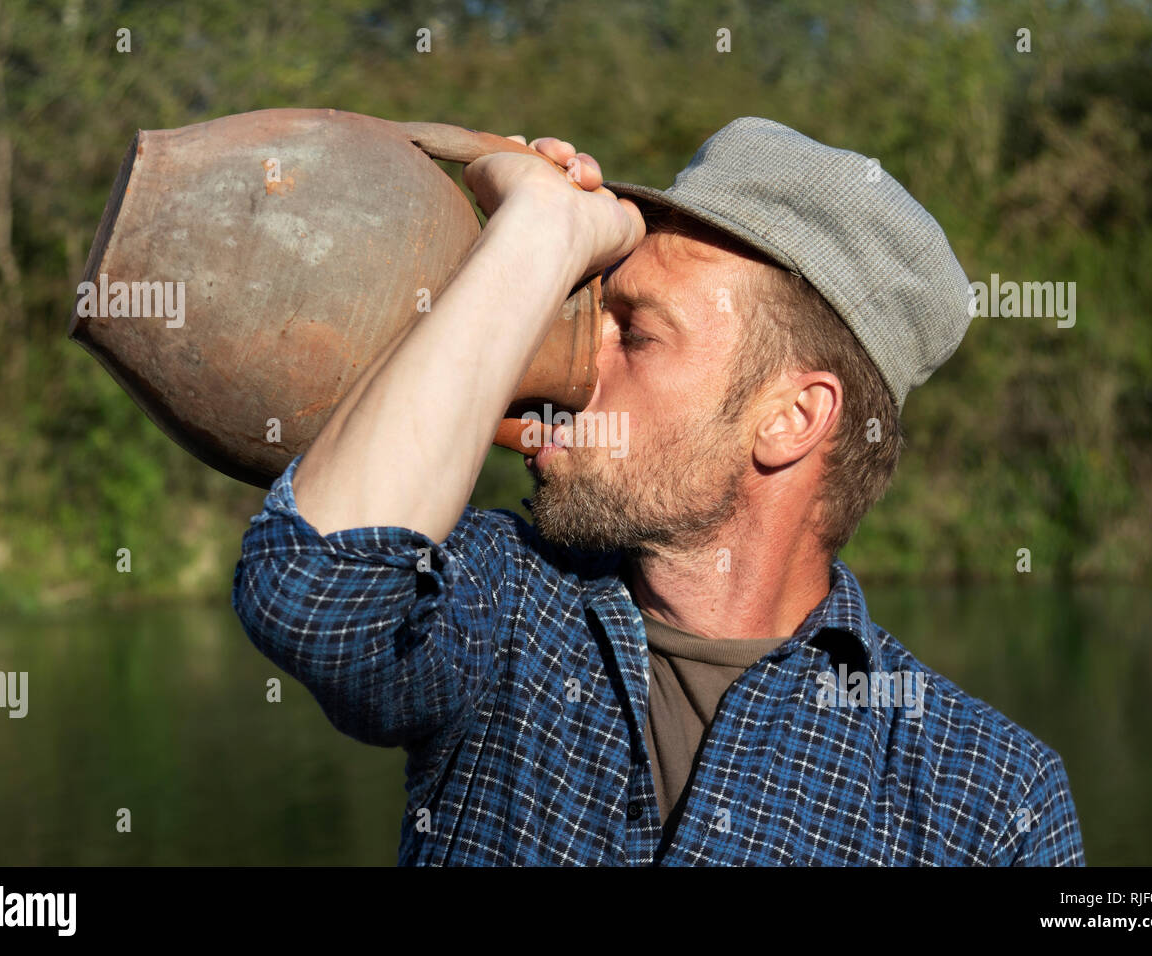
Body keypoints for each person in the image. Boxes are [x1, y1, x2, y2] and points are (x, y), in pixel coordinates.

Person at [232, 117, 1085, 865]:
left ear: (791, 418)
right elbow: (318, 593)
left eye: (635, 334)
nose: (571, 371)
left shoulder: (987, 796)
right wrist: (536, 238)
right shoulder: (507, 603)